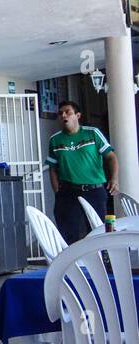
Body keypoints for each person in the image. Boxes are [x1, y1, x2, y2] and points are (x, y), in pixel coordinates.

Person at [46, 100, 119, 244]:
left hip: (94, 190)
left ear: (77, 115)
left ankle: (104, 262)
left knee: (98, 230)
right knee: (69, 232)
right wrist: (57, 192)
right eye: (61, 113)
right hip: (68, 192)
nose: (63, 115)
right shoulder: (55, 140)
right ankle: (74, 265)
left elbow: (110, 156)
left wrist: (115, 178)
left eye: (68, 112)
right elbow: (52, 167)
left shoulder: (92, 133)